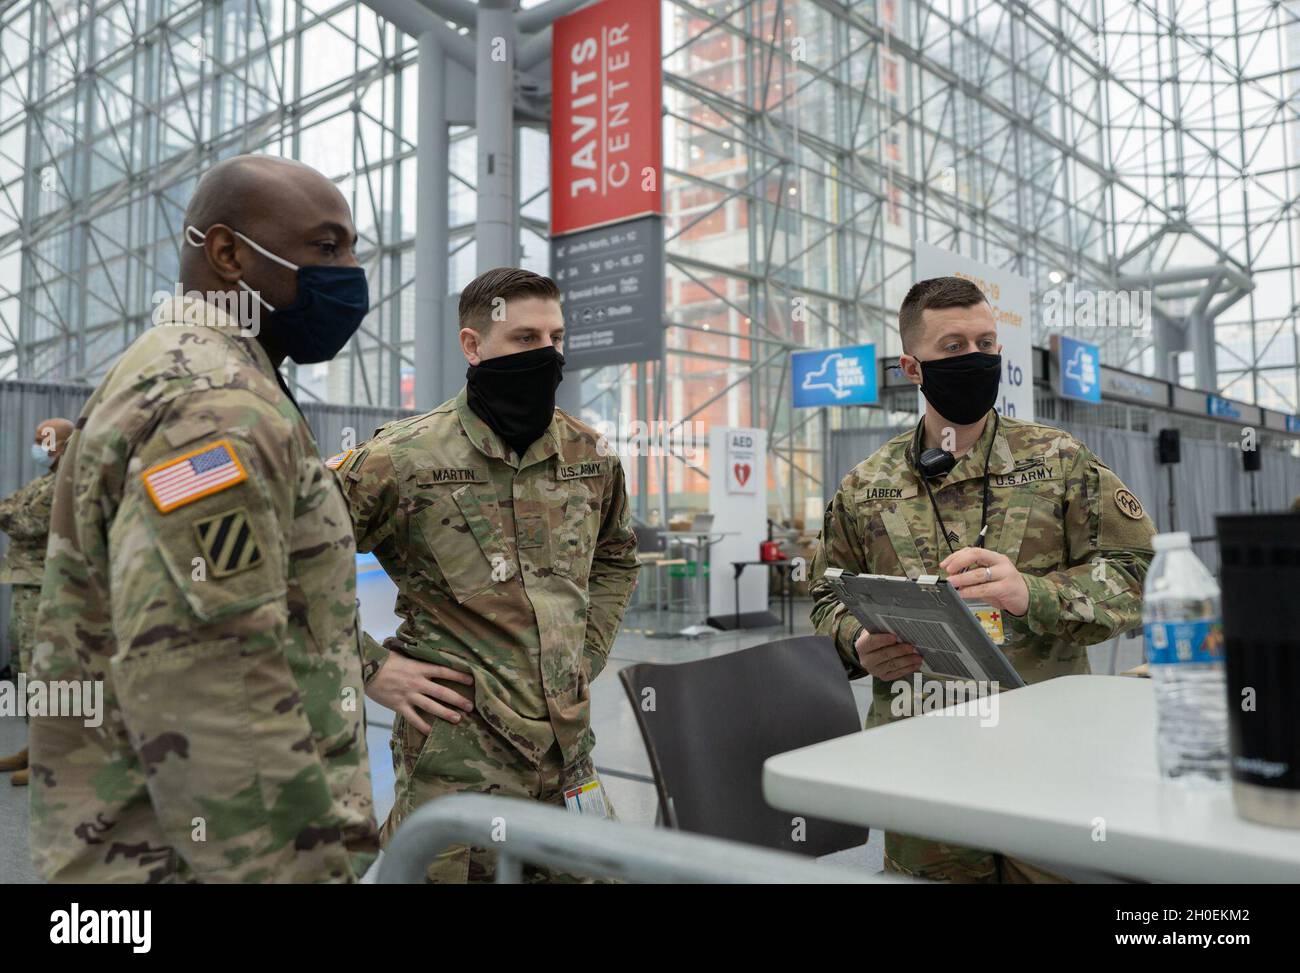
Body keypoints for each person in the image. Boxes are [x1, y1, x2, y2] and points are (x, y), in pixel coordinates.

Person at [27, 154, 379, 882]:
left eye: (350, 249)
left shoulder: (189, 370)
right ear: (227, 253)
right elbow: (216, 686)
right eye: (325, 247)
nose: (348, 272)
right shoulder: (214, 403)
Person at [810, 275, 1157, 883]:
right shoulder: (868, 484)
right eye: (953, 347)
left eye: (986, 343)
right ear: (912, 367)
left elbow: (1135, 574)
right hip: (921, 760)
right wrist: (857, 645)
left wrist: (1035, 593)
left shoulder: (1057, 459)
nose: (974, 358)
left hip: (1048, 752)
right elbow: (824, 595)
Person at [336, 267, 638, 883]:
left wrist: (586, 650)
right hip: (458, 762)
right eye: (525, 339)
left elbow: (615, 555)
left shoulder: (590, 456)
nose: (547, 354)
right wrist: (370, 667)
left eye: (556, 338)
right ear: (474, 346)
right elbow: (289, 568)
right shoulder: (401, 459)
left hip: (571, 755)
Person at [0, 418, 72, 787]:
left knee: (42, 671)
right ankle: (34, 747)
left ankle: (51, 758)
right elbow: (12, 506)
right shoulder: (45, 481)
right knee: (23, 670)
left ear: (61, 444)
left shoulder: (64, 480)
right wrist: (10, 511)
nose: (37, 447)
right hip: (27, 581)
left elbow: (25, 521)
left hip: (46, 583)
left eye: (41, 441)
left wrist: (10, 512)